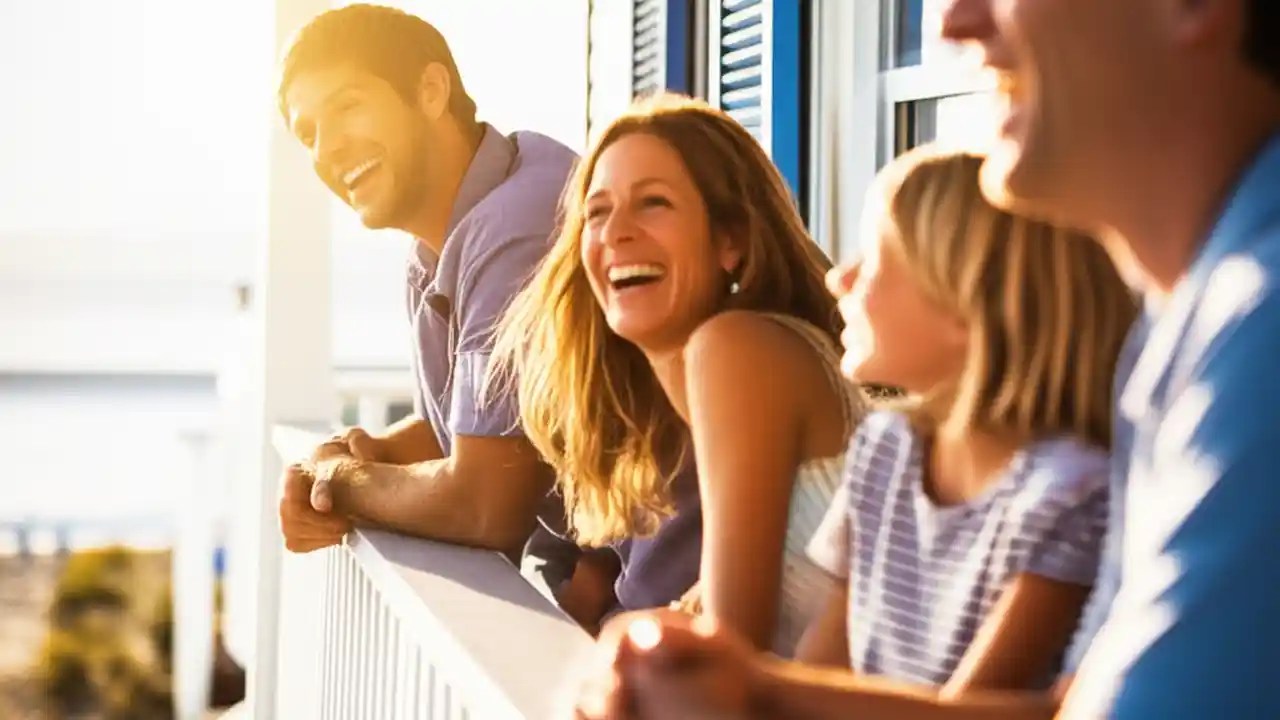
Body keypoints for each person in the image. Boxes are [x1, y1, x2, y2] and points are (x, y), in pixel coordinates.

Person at [573, 0, 1280, 717]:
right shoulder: (1176, 339)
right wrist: (755, 692)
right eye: (596, 211)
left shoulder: (1259, 333)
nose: (950, 23)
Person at [570, 144, 1136, 718]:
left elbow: (970, 709)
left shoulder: (1065, 494)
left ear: (967, 304)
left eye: (879, 257)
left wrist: (743, 686)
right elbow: (818, 671)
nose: (841, 277)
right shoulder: (887, 450)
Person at [490, 93, 865, 650]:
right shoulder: (692, 392)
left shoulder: (741, 350)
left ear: (731, 241)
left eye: (653, 203)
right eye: (597, 211)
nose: (616, 231)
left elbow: (728, 649)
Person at [272, 3, 575, 562]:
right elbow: (468, 428)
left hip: (678, 603)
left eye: (347, 106)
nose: (326, 148)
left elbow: (486, 505)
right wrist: (363, 452)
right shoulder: (438, 245)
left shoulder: (516, 228)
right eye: (308, 133)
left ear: (431, 90)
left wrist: (343, 482)